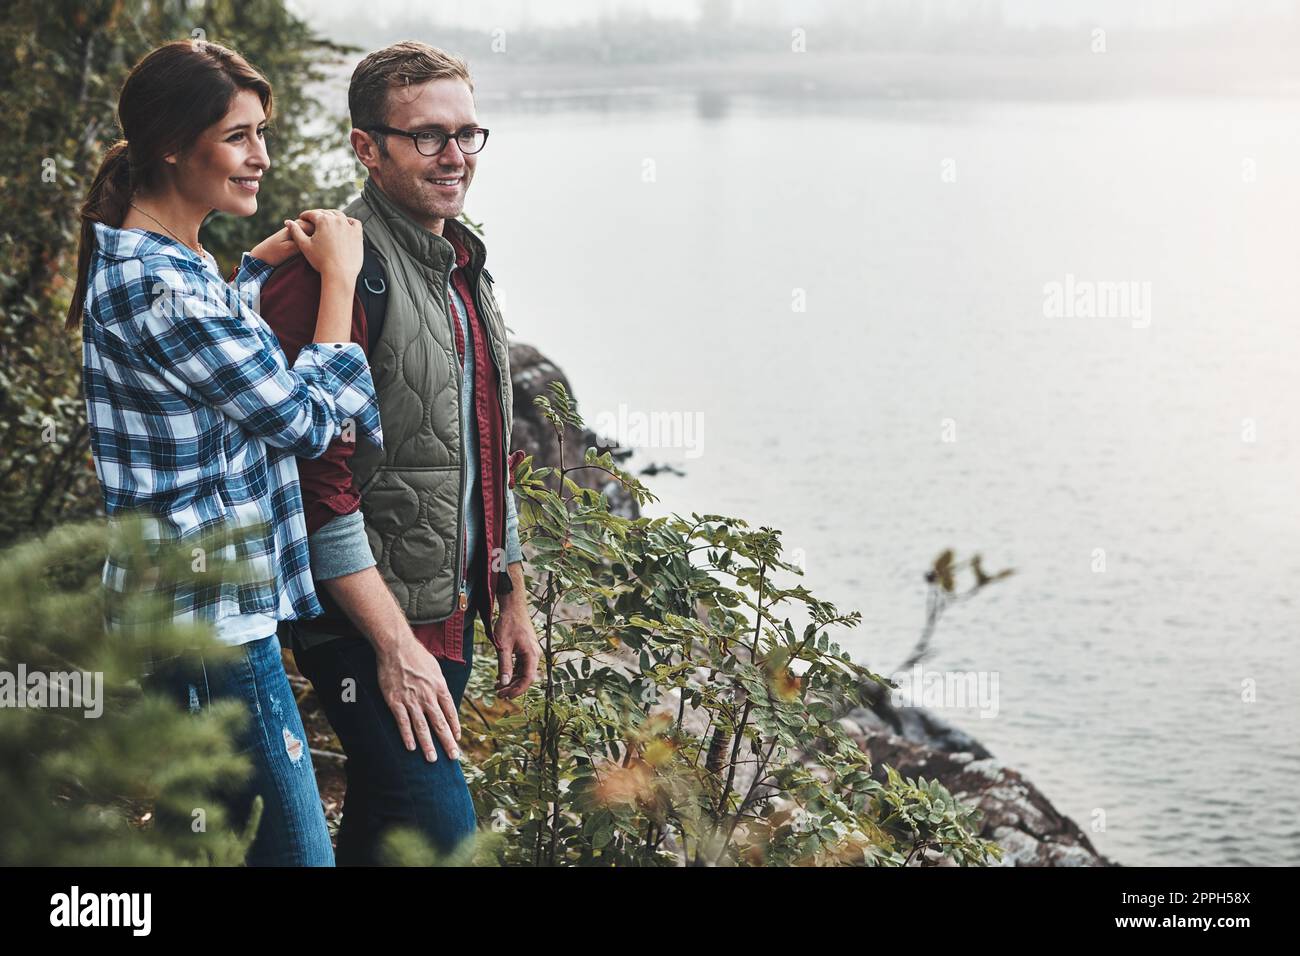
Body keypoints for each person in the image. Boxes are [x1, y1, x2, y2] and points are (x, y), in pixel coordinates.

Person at [67, 39, 383, 866]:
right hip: (208, 623)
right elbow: (308, 422)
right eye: (239, 136)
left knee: (219, 853)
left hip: (191, 613)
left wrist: (253, 272)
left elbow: (202, 375)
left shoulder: (169, 263)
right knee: (292, 855)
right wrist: (340, 282)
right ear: (173, 143)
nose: (261, 158)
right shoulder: (163, 286)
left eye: (262, 132)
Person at [260, 41, 540, 864]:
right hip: (363, 623)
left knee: (388, 833)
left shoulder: (460, 264)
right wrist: (391, 646)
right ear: (365, 146)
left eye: (467, 134)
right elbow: (314, 484)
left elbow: (483, 444)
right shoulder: (331, 274)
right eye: (427, 136)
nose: (454, 156)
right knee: (448, 843)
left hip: (443, 613)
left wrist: (509, 589)